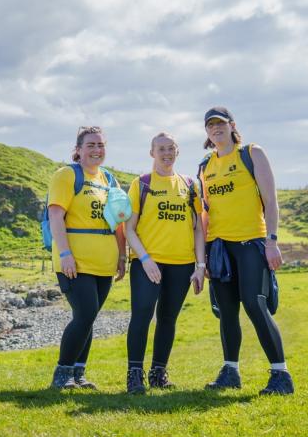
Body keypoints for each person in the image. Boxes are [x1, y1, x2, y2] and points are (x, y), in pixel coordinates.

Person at [198, 106, 294, 395]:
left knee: (255, 304)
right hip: (219, 248)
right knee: (226, 312)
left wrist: (272, 242)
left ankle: (281, 375)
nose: (216, 129)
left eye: (221, 124)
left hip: (251, 243)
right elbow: (204, 214)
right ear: (206, 132)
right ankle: (230, 372)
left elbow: (271, 201)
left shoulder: (251, 153)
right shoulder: (205, 166)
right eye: (210, 126)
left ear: (232, 125)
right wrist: (201, 258)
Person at [122, 133, 206, 394]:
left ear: (177, 151)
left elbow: (198, 229)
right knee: (142, 316)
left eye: (171, 149)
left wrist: (200, 266)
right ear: (152, 153)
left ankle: (159, 373)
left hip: (181, 264)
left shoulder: (190, 185)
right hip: (148, 263)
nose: (166, 153)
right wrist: (145, 259)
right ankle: (134, 374)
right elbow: (129, 228)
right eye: (161, 149)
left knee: (168, 319)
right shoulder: (141, 184)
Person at [46, 126, 127, 390]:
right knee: (86, 313)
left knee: (89, 317)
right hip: (75, 261)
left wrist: (122, 256)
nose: (96, 150)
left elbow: (118, 221)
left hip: (104, 263)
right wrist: (65, 253)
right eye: (90, 145)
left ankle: (78, 374)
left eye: (100, 145)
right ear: (78, 150)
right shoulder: (67, 175)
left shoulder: (109, 180)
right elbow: (56, 215)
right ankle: (62, 374)